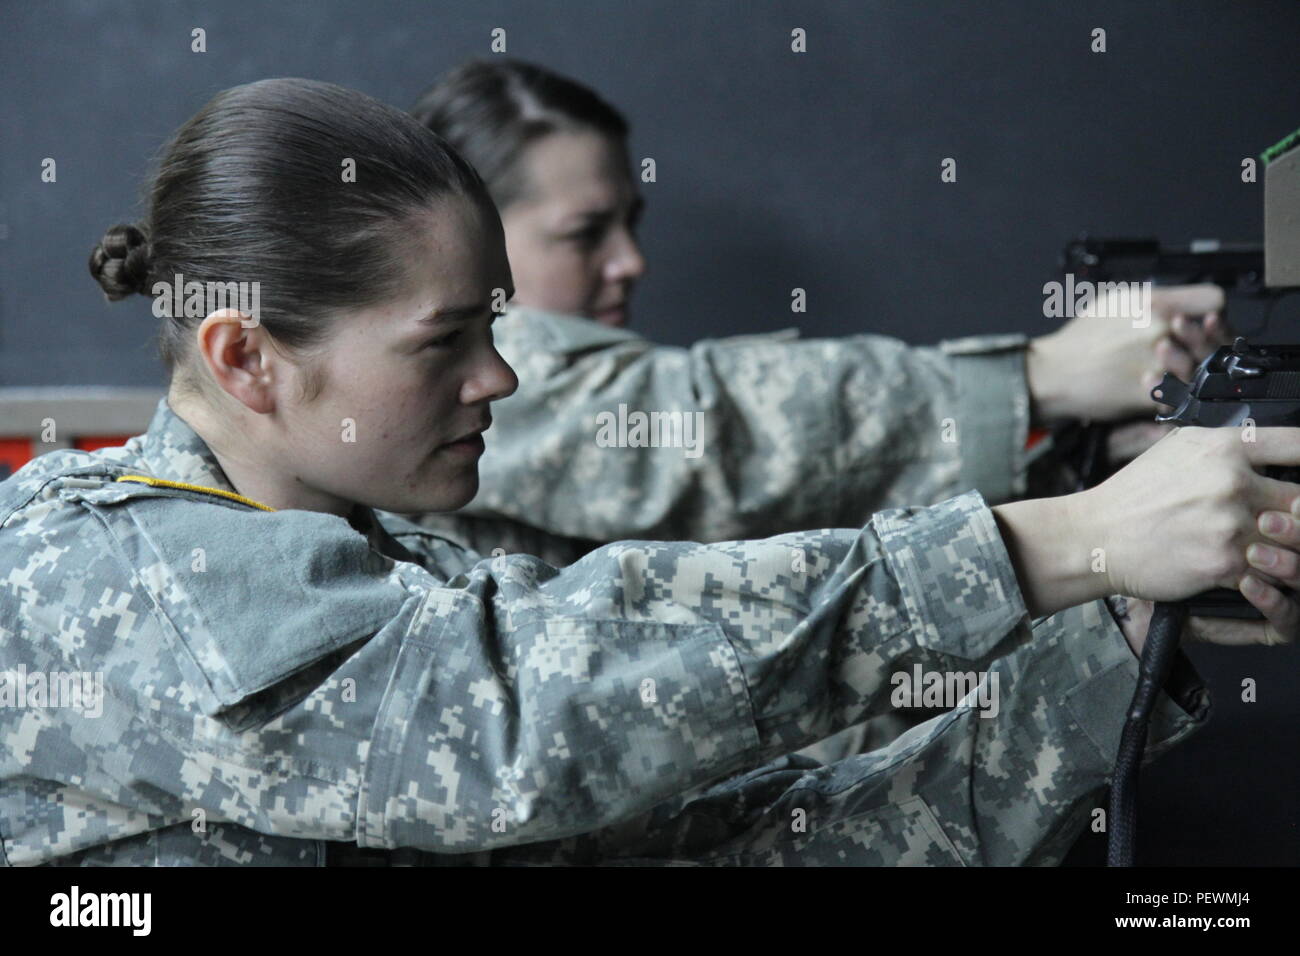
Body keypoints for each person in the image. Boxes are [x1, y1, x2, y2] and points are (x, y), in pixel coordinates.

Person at [1, 78, 1293, 868]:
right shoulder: (92, 575)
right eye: (446, 341)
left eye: (496, 329)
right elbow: (529, 710)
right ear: (248, 357)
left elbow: (740, 845)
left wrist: (1115, 645)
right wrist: (1069, 541)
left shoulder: (391, 564)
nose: (502, 379)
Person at [402, 58, 1229, 570]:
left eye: (632, 223)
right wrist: (1037, 378)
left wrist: (1074, 462)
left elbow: (789, 538)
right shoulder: (458, 379)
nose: (632, 262)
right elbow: (701, 436)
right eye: (586, 235)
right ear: (468, 245)